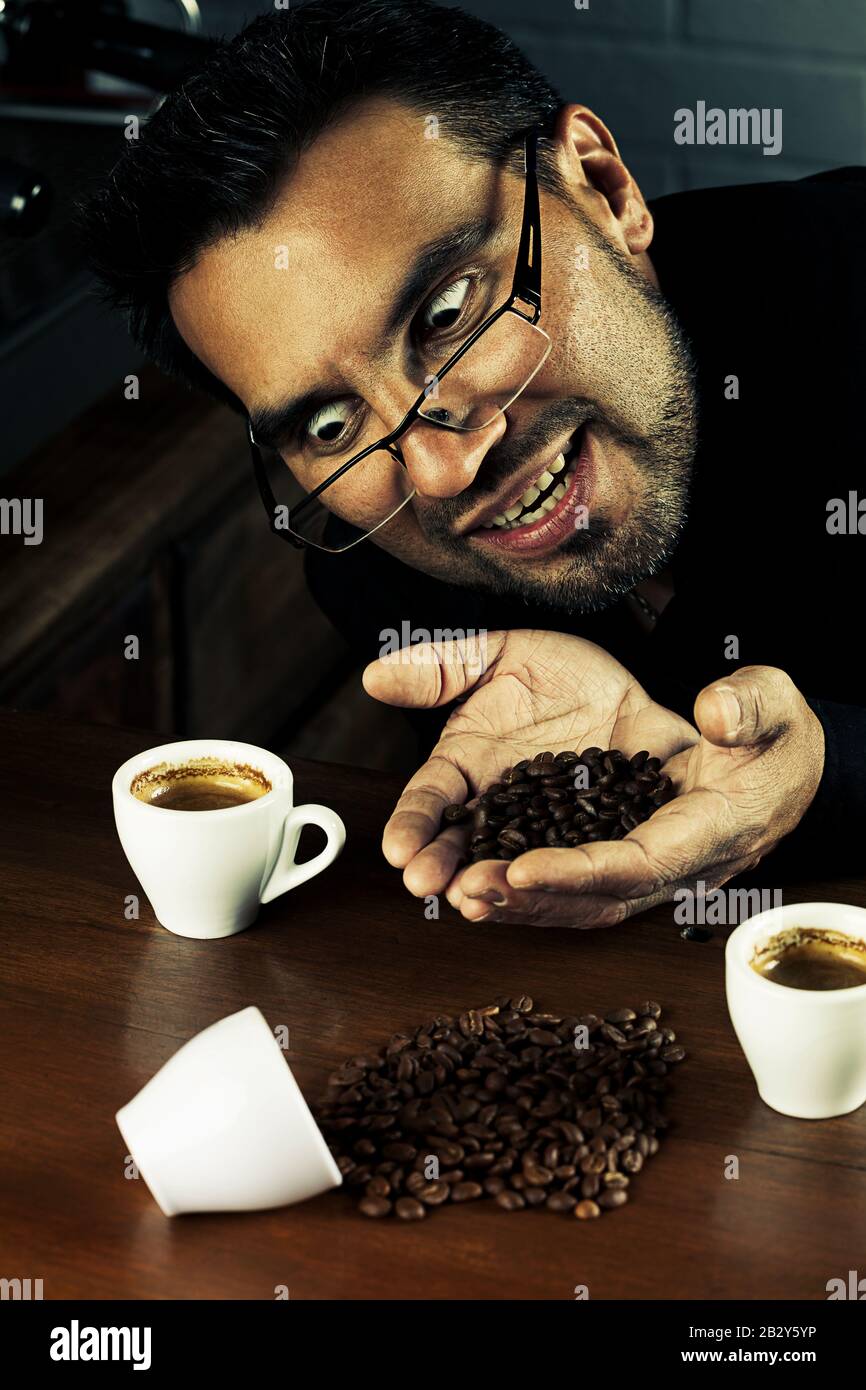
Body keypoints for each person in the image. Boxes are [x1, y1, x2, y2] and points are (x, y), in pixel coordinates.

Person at [81, 0, 866, 928]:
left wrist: (834, 764)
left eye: (449, 311)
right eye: (329, 424)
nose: (441, 468)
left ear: (607, 193)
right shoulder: (385, 582)